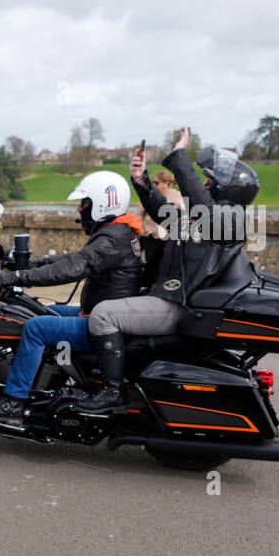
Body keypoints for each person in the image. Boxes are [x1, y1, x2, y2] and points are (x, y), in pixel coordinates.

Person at [77, 128, 259, 413]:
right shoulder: (210, 221)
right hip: (172, 297)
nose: (206, 184)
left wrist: (180, 155)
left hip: (179, 305)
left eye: (210, 181)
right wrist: (140, 179)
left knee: (104, 314)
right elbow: (165, 213)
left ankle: (110, 392)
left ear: (229, 188)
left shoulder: (230, 220)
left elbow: (201, 205)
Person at [0, 171, 144, 426]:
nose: (79, 208)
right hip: (98, 314)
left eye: (84, 203)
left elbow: (69, 270)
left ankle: (13, 401)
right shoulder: (118, 232)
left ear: (103, 204)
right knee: (40, 310)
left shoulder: (111, 239)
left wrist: (15, 277)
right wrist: (29, 263)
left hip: (101, 323)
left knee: (35, 327)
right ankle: (45, 381)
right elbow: (71, 259)